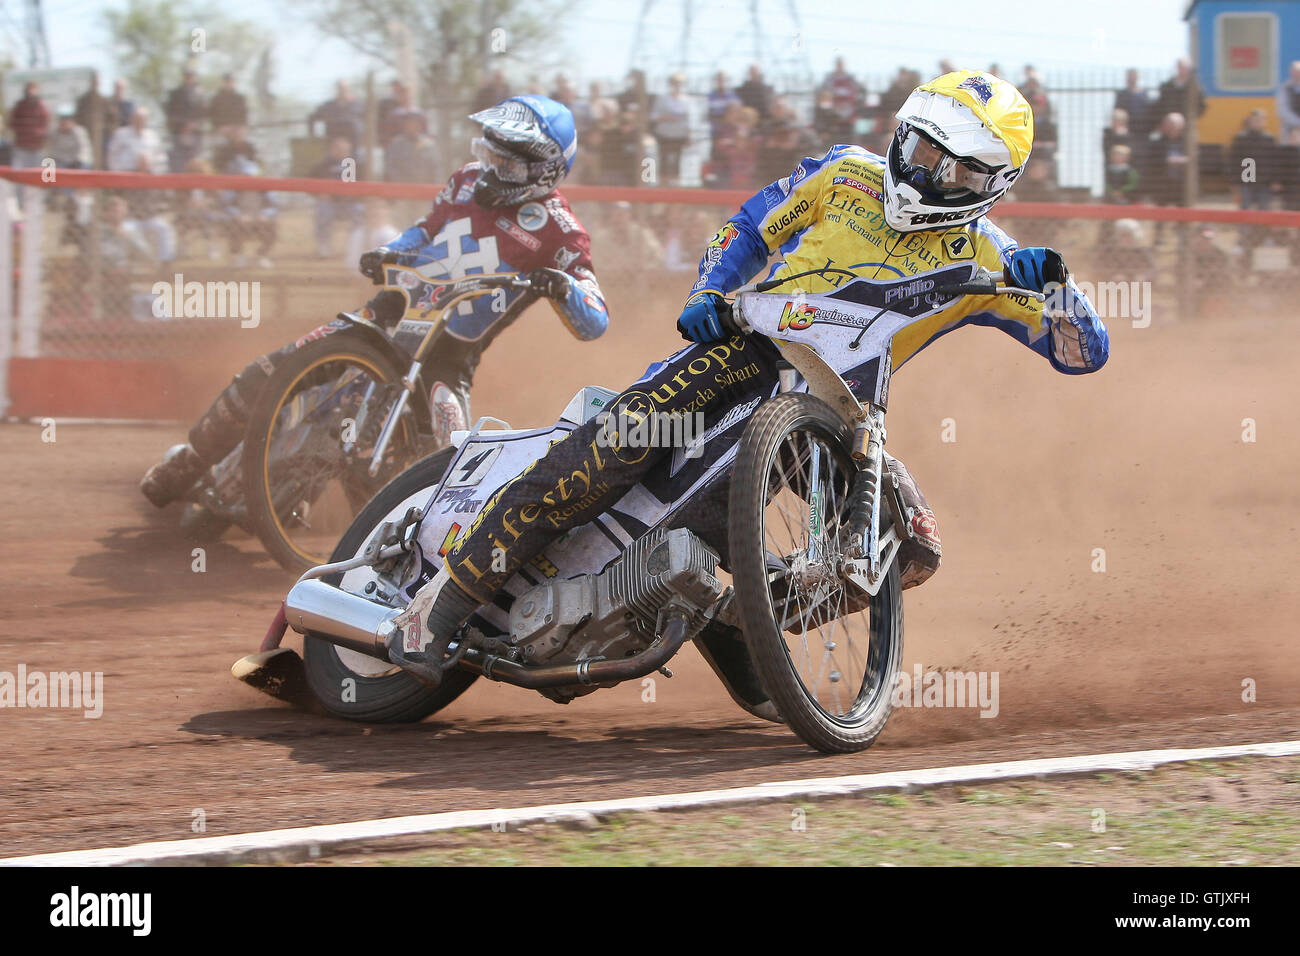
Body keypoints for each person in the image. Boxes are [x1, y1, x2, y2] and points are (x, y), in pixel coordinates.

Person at [390, 70, 1110, 688]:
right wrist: (709, 291)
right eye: (920, 150)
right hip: (747, 345)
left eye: (952, 170)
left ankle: (743, 620)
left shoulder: (990, 258)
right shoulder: (846, 172)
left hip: (839, 413)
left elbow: (1085, 354)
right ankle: (450, 597)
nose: (924, 173)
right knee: (617, 446)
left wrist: (1055, 290)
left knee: (912, 545)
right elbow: (749, 227)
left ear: (992, 185)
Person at [140, 95, 610, 513]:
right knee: (268, 371)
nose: (492, 171)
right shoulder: (466, 181)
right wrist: (391, 250)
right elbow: (424, 229)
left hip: (448, 355)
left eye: (507, 165)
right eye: (490, 155)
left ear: (543, 170)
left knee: (446, 462)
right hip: (386, 315)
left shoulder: (561, 230)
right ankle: (193, 459)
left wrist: (564, 287)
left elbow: (596, 319)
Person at [1276, 61, 1300, 142]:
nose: (1297, 74)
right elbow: (1282, 110)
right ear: (1291, 72)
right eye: (1295, 72)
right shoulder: (1285, 88)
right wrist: (1297, 123)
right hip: (1289, 129)